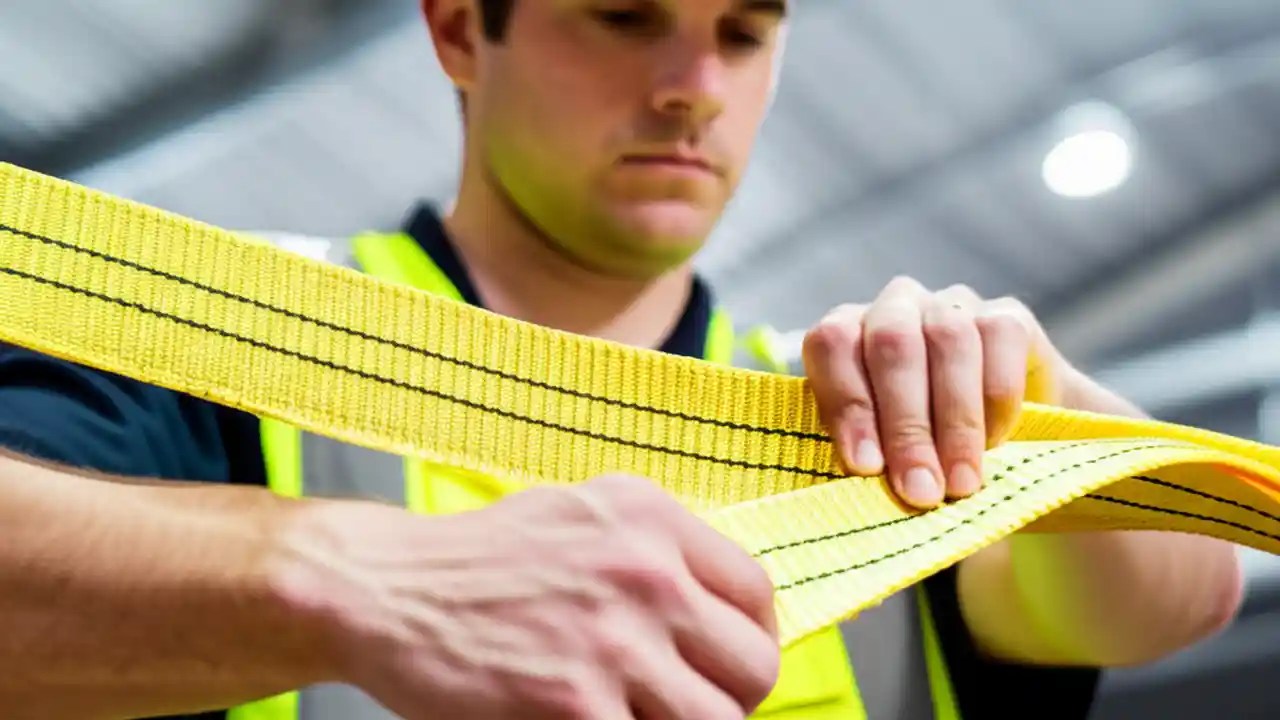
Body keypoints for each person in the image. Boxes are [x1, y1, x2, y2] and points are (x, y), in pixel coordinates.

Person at [0, 0, 1243, 718]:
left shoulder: (862, 428)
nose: (694, 86)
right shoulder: (229, 335)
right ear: (458, 28)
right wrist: (354, 579)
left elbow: (1177, 597)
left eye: (743, 32)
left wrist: (1042, 409)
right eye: (625, 14)